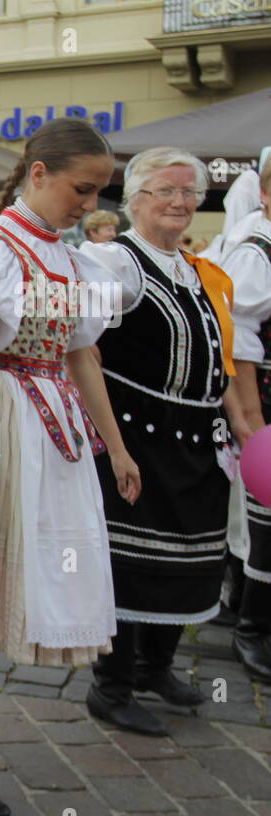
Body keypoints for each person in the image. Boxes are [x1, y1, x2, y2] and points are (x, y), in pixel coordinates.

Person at [0, 118, 140, 816]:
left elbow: (81, 355)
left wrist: (118, 446)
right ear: (38, 174)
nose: (91, 204)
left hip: (47, 432)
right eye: (83, 188)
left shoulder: (70, 259)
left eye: (101, 191)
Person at [79, 147, 246, 736]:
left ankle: (157, 667)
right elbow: (79, 345)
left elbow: (219, 362)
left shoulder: (197, 270)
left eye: (189, 193)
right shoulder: (113, 262)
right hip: (138, 435)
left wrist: (241, 428)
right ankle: (112, 685)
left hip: (199, 440)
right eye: (165, 191)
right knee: (129, 564)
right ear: (135, 200)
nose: (180, 202)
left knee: (191, 559)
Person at [216, 161, 271, 682]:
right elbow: (238, 331)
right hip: (267, 400)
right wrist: (250, 415)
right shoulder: (257, 249)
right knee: (265, 516)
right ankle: (253, 626)